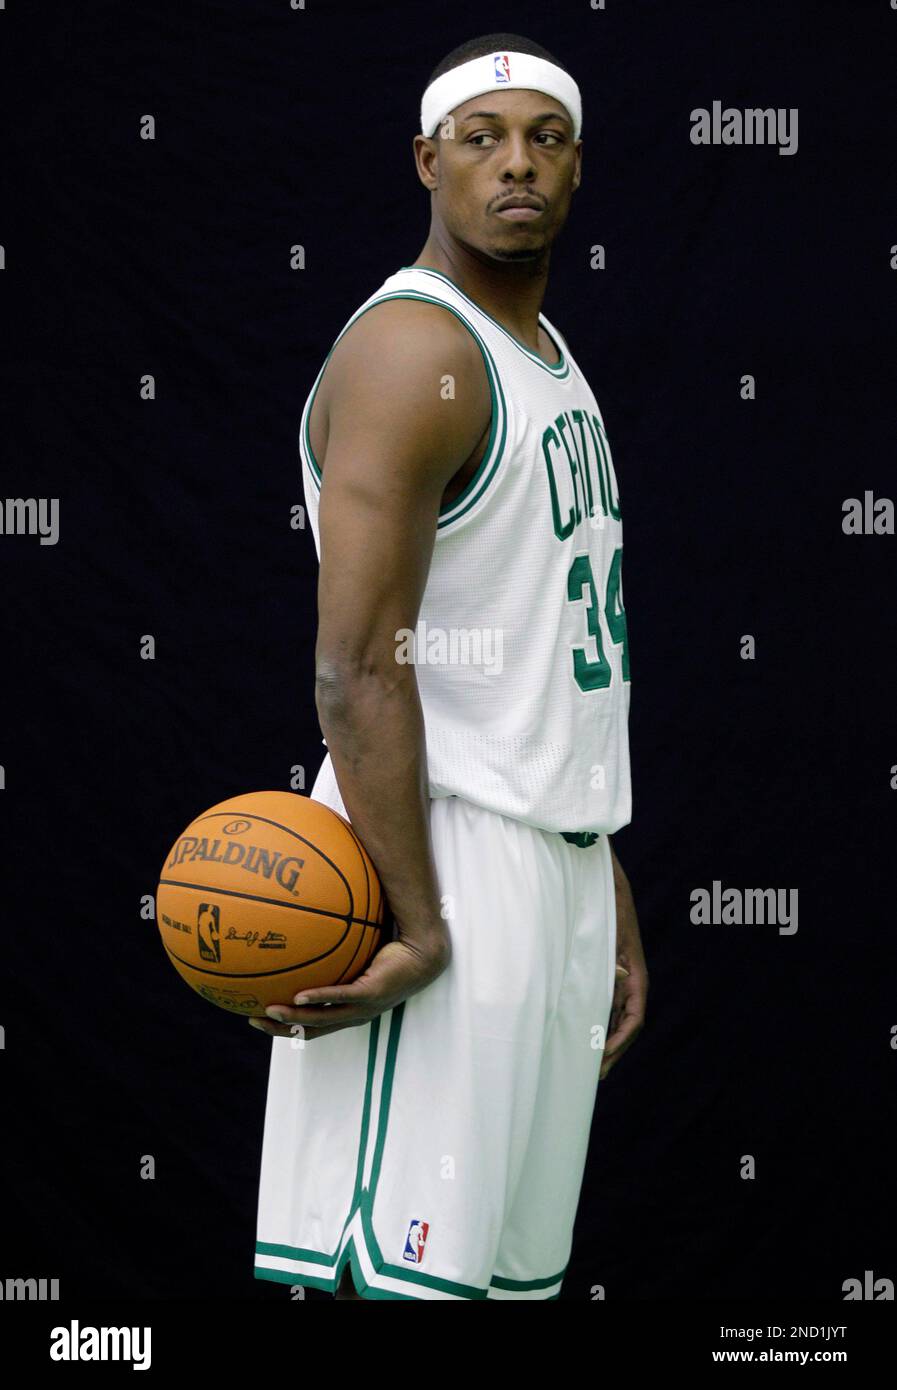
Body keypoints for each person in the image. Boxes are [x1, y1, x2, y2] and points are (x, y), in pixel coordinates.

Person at [251, 31, 648, 1302]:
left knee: (503, 1289)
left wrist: (598, 863)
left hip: (548, 865)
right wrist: (420, 927)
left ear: (579, 166)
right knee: (388, 1288)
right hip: (427, 849)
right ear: (429, 161)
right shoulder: (411, 355)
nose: (516, 164)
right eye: (483, 141)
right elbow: (358, 664)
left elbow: (539, 665)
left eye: (546, 138)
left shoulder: (546, 358)